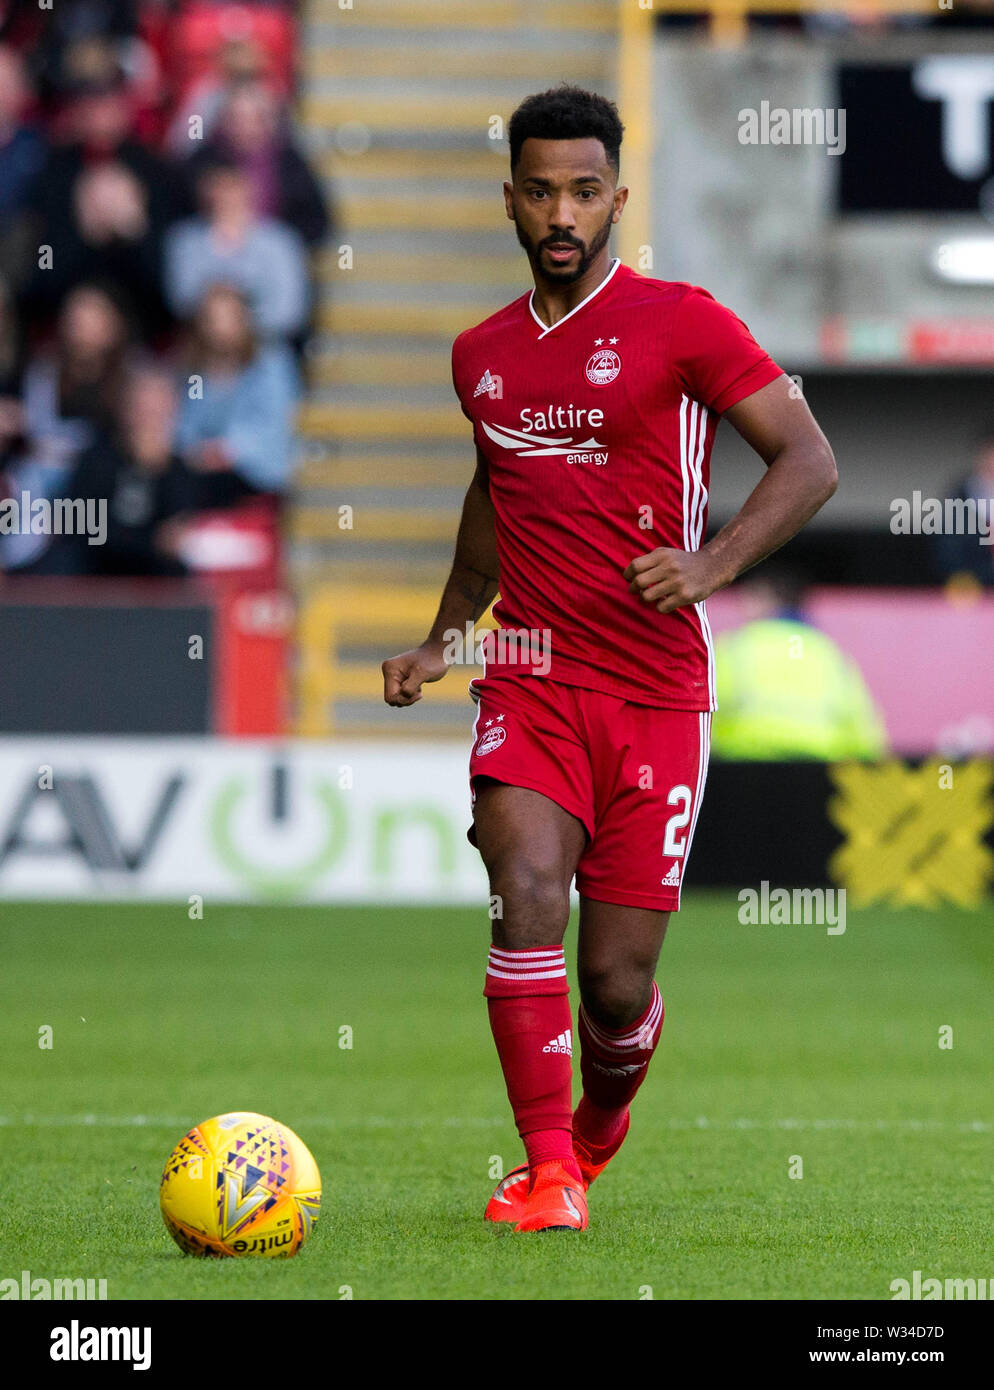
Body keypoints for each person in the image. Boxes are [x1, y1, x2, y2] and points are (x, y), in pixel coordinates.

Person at [381, 87, 837, 1233]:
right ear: (511, 201)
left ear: (617, 196)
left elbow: (809, 459)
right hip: (529, 672)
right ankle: (545, 1175)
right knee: (525, 890)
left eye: (584, 190)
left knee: (616, 985)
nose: (561, 211)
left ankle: (593, 1130)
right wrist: (446, 635)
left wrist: (715, 560)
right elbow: (492, 496)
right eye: (539, 190)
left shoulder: (683, 322)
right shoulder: (477, 356)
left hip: (657, 691)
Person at [710, 568, 888, 761]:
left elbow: (708, 711)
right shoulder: (828, 653)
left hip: (745, 764)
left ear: (762, 599)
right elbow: (863, 731)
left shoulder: (735, 647)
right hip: (817, 767)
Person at [173, 282, 299, 507]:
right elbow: (190, 420)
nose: (220, 327)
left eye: (228, 317)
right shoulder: (197, 373)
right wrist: (197, 450)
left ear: (244, 318)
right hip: (207, 475)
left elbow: (277, 420)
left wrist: (229, 449)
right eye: (212, 318)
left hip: (260, 474)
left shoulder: (270, 362)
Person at [164, 155, 309, 341]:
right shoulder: (184, 239)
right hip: (202, 348)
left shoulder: (279, 240)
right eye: (216, 188)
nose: (223, 197)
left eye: (231, 187)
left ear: (248, 191)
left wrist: (238, 326)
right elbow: (181, 300)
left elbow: (288, 310)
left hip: (264, 347)